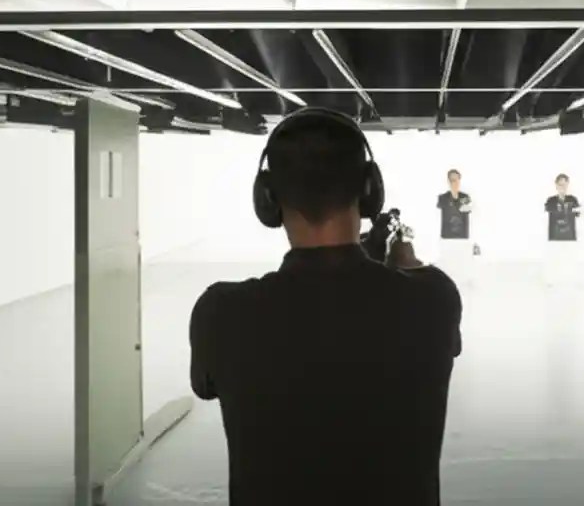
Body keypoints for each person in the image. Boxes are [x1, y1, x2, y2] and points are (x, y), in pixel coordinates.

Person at [189, 108, 463, 506]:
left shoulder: (220, 312)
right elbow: (397, 302)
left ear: (268, 198)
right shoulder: (435, 298)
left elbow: (205, 386)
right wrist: (404, 261)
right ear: (369, 190)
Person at [436, 169, 473, 241]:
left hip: (462, 238)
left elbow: (466, 209)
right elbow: (440, 206)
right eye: (452, 180)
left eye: (457, 180)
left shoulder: (465, 197)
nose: (454, 183)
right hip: (447, 238)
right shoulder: (443, 198)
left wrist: (456, 197)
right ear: (448, 181)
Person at [544, 173, 581, 242]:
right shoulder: (551, 201)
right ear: (556, 185)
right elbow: (546, 210)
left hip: (570, 237)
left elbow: (579, 214)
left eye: (564, 185)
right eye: (560, 185)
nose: (562, 187)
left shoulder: (573, 200)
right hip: (554, 237)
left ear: (567, 185)